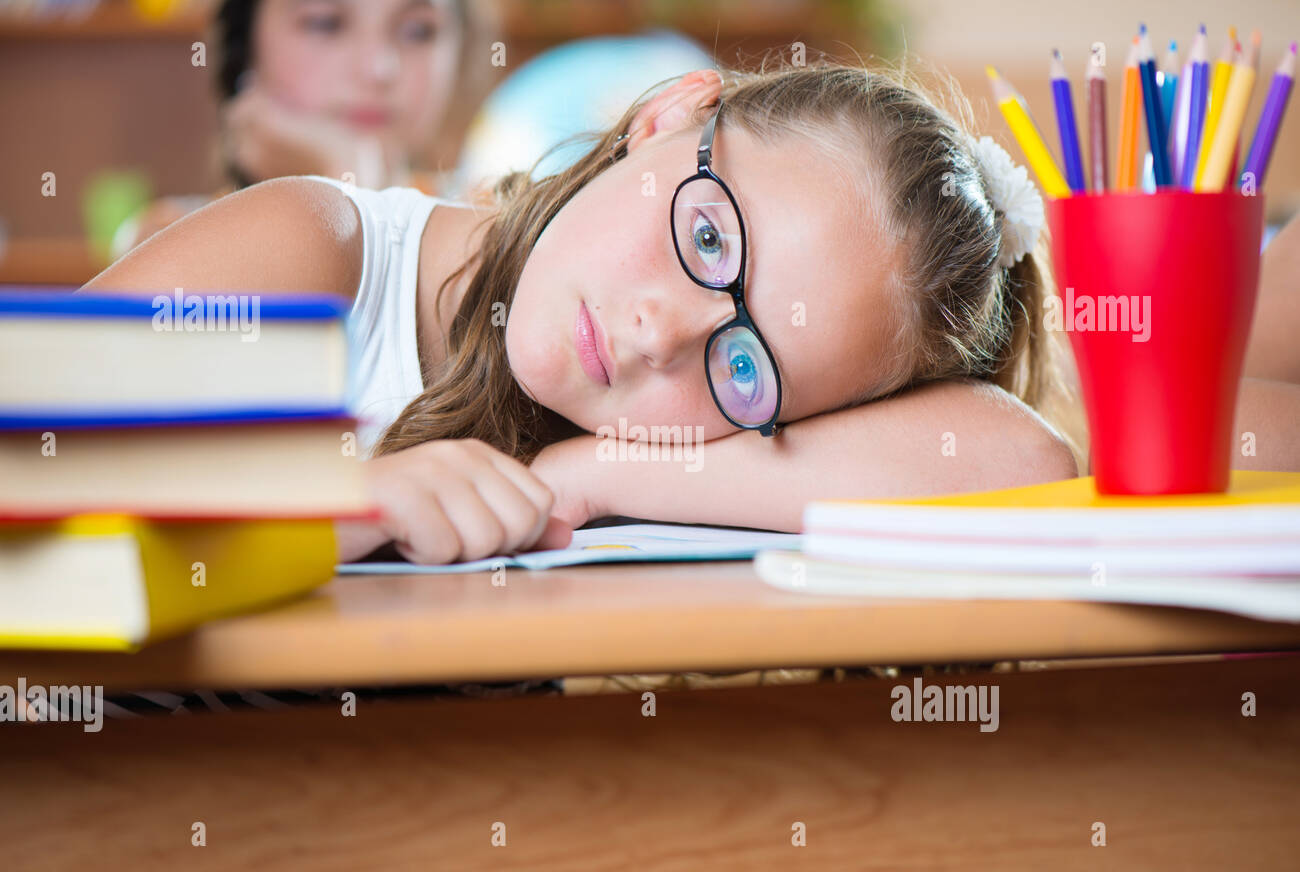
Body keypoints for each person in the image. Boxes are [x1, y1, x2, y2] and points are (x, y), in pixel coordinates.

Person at [86, 62, 1300, 565]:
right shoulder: (325, 254)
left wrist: (594, 474)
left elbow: (1018, 453)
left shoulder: (633, 448)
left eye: (743, 367)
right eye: (708, 237)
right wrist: (328, 494)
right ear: (667, 113)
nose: (665, 334)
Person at [114, 0, 471, 255]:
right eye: (326, 22)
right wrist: (341, 197)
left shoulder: (486, 231)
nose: (379, 68)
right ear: (246, 44)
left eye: (417, 30)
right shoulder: (169, 243)